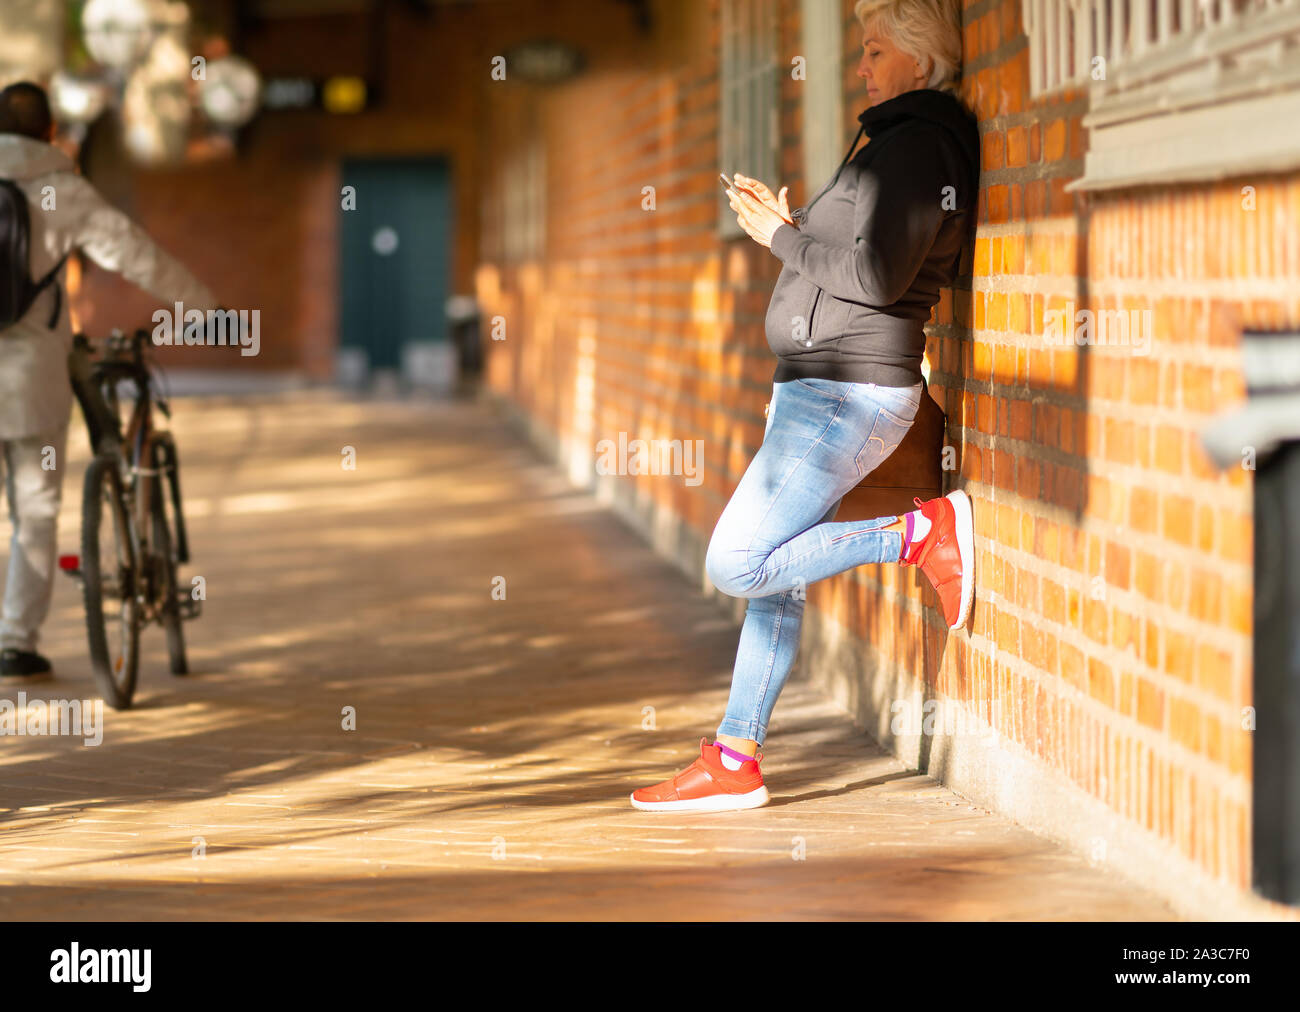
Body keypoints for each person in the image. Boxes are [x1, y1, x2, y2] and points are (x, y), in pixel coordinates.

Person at [631, 0, 980, 812]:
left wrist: (776, 237)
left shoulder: (919, 147)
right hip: (819, 394)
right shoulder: (893, 144)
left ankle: (918, 534)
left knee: (735, 561)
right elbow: (859, 258)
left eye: (873, 51)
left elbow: (878, 278)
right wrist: (790, 222)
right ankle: (736, 755)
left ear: (919, 64)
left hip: (847, 396)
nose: (860, 67)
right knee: (773, 581)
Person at [0, 81, 218, 682]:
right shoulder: (63, 192)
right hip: (31, 386)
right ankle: (16, 643)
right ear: (50, 133)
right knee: (36, 513)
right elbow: (135, 254)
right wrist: (202, 306)